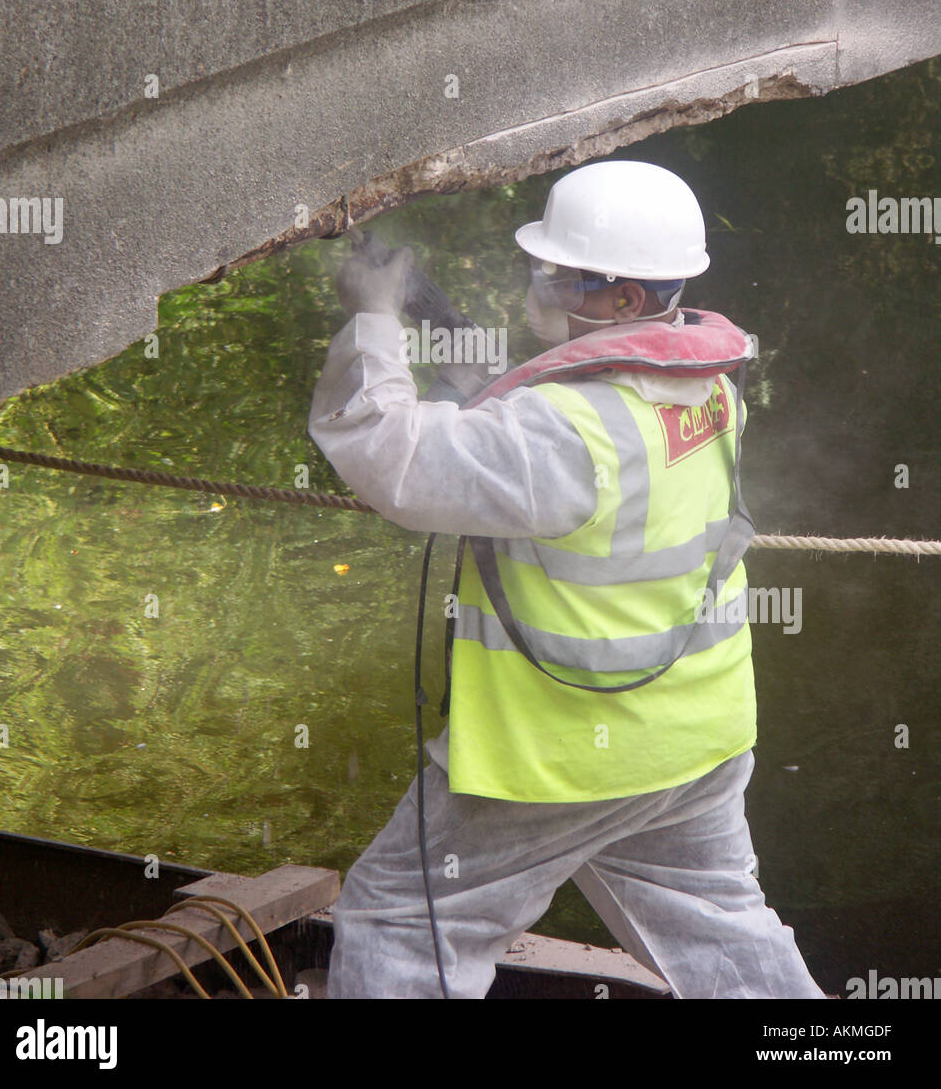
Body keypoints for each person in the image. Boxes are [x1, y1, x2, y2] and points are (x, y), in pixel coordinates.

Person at [308, 158, 825, 999]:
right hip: (696, 738)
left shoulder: (561, 432)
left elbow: (387, 454)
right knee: (717, 919)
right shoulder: (708, 387)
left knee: (405, 916)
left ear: (622, 299)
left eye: (556, 272)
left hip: (565, 756)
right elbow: (574, 463)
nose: (537, 284)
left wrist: (373, 317)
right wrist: (469, 368)